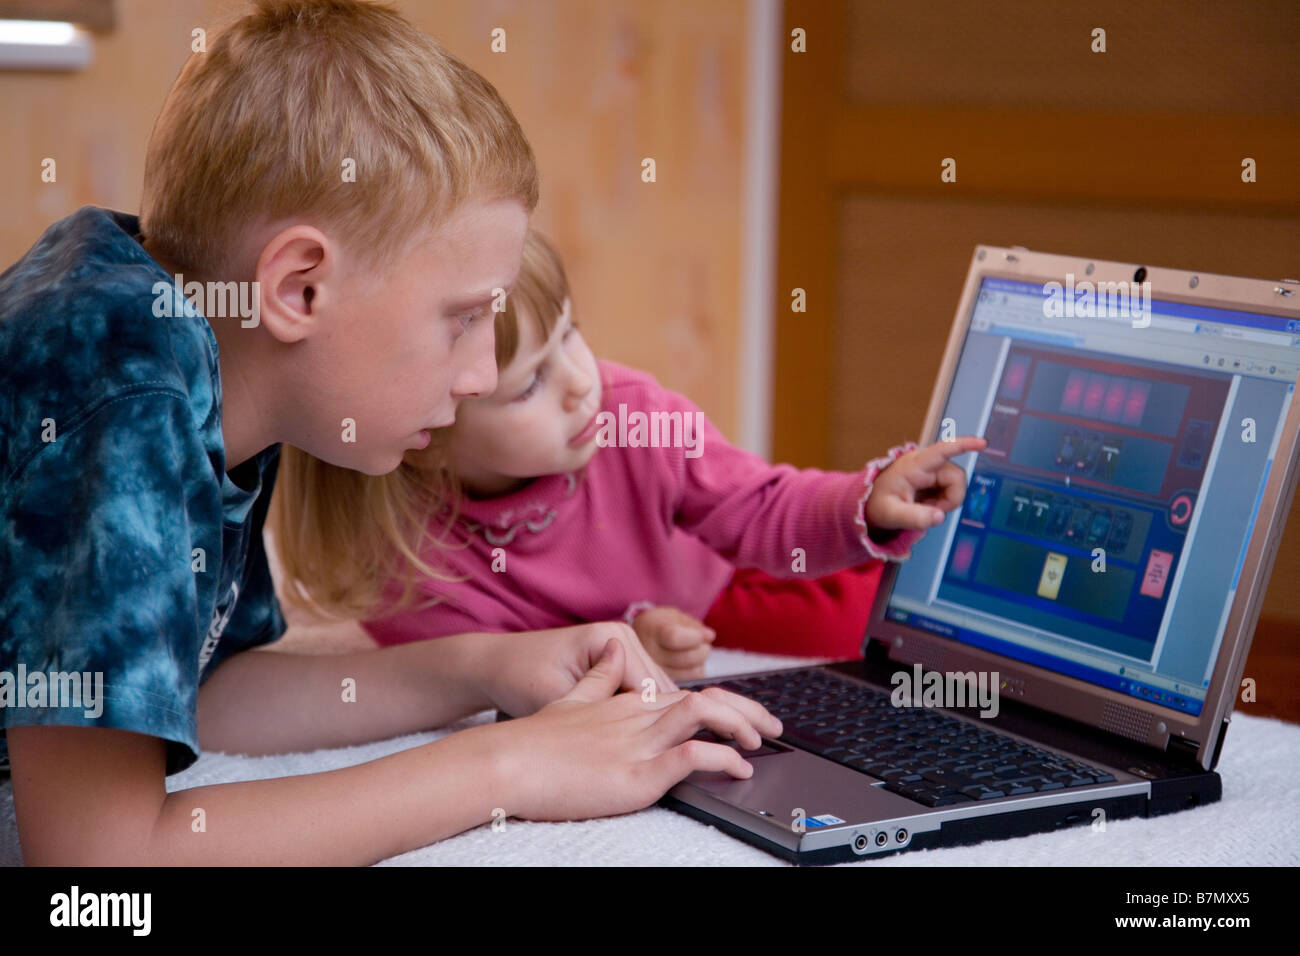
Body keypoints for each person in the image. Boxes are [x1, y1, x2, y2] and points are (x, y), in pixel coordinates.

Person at [0, 0, 782, 866]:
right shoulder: (120, 390)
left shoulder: (209, 356)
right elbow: (97, 864)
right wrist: (513, 765)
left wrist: (489, 666)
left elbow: (204, 694)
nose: (480, 376)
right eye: (463, 319)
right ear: (299, 289)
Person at [272, 229, 986, 680]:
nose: (583, 384)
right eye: (531, 385)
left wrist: (865, 498)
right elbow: (504, 674)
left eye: (571, 335)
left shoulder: (631, 415)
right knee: (859, 629)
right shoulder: (407, 563)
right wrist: (623, 643)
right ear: (425, 437)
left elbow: (761, 505)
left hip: (728, 553)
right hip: (711, 607)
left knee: (904, 563)